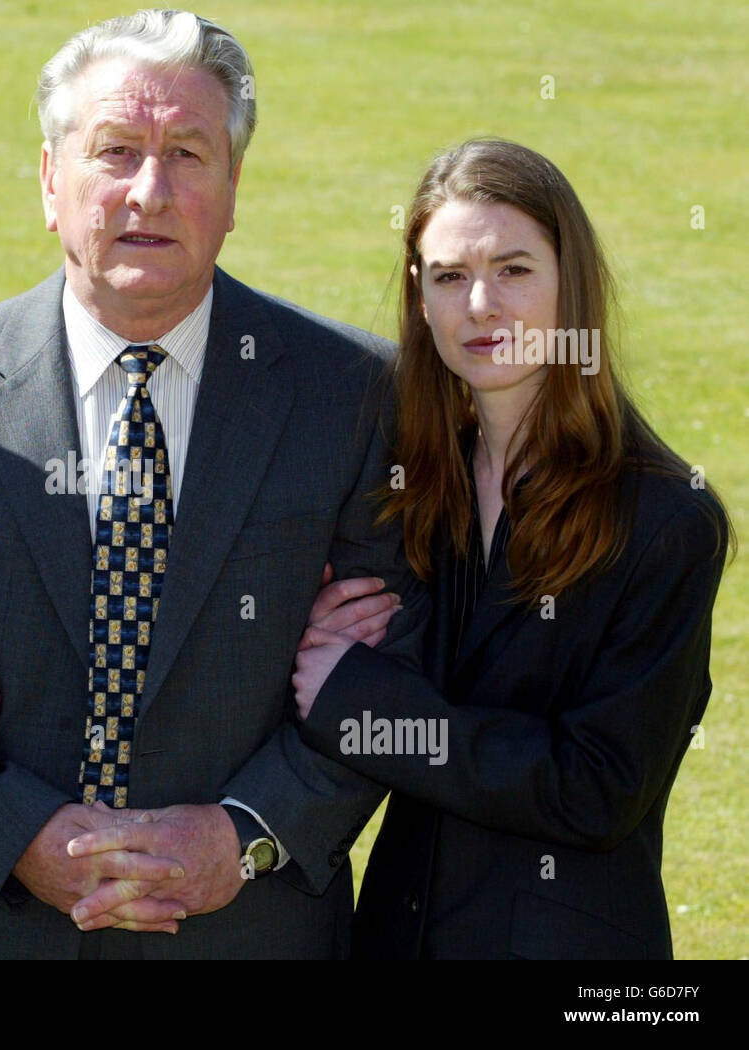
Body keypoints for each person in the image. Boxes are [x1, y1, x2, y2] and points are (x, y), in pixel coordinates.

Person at [0, 9, 427, 959]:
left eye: (189, 155)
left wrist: (245, 834)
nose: (149, 191)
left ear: (234, 188)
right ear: (50, 180)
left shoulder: (354, 393)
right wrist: (22, 836)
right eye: (115, 151)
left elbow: (391, 671)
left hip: (252, 930)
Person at [292, 138, 732, 959]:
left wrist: (369, 706)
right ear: (420, 301)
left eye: (515, 270)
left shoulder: (668, 521)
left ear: (574, 286)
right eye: (450, 276)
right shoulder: (414, 486)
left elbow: (596, 788)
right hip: (395, 937)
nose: (480, 305)